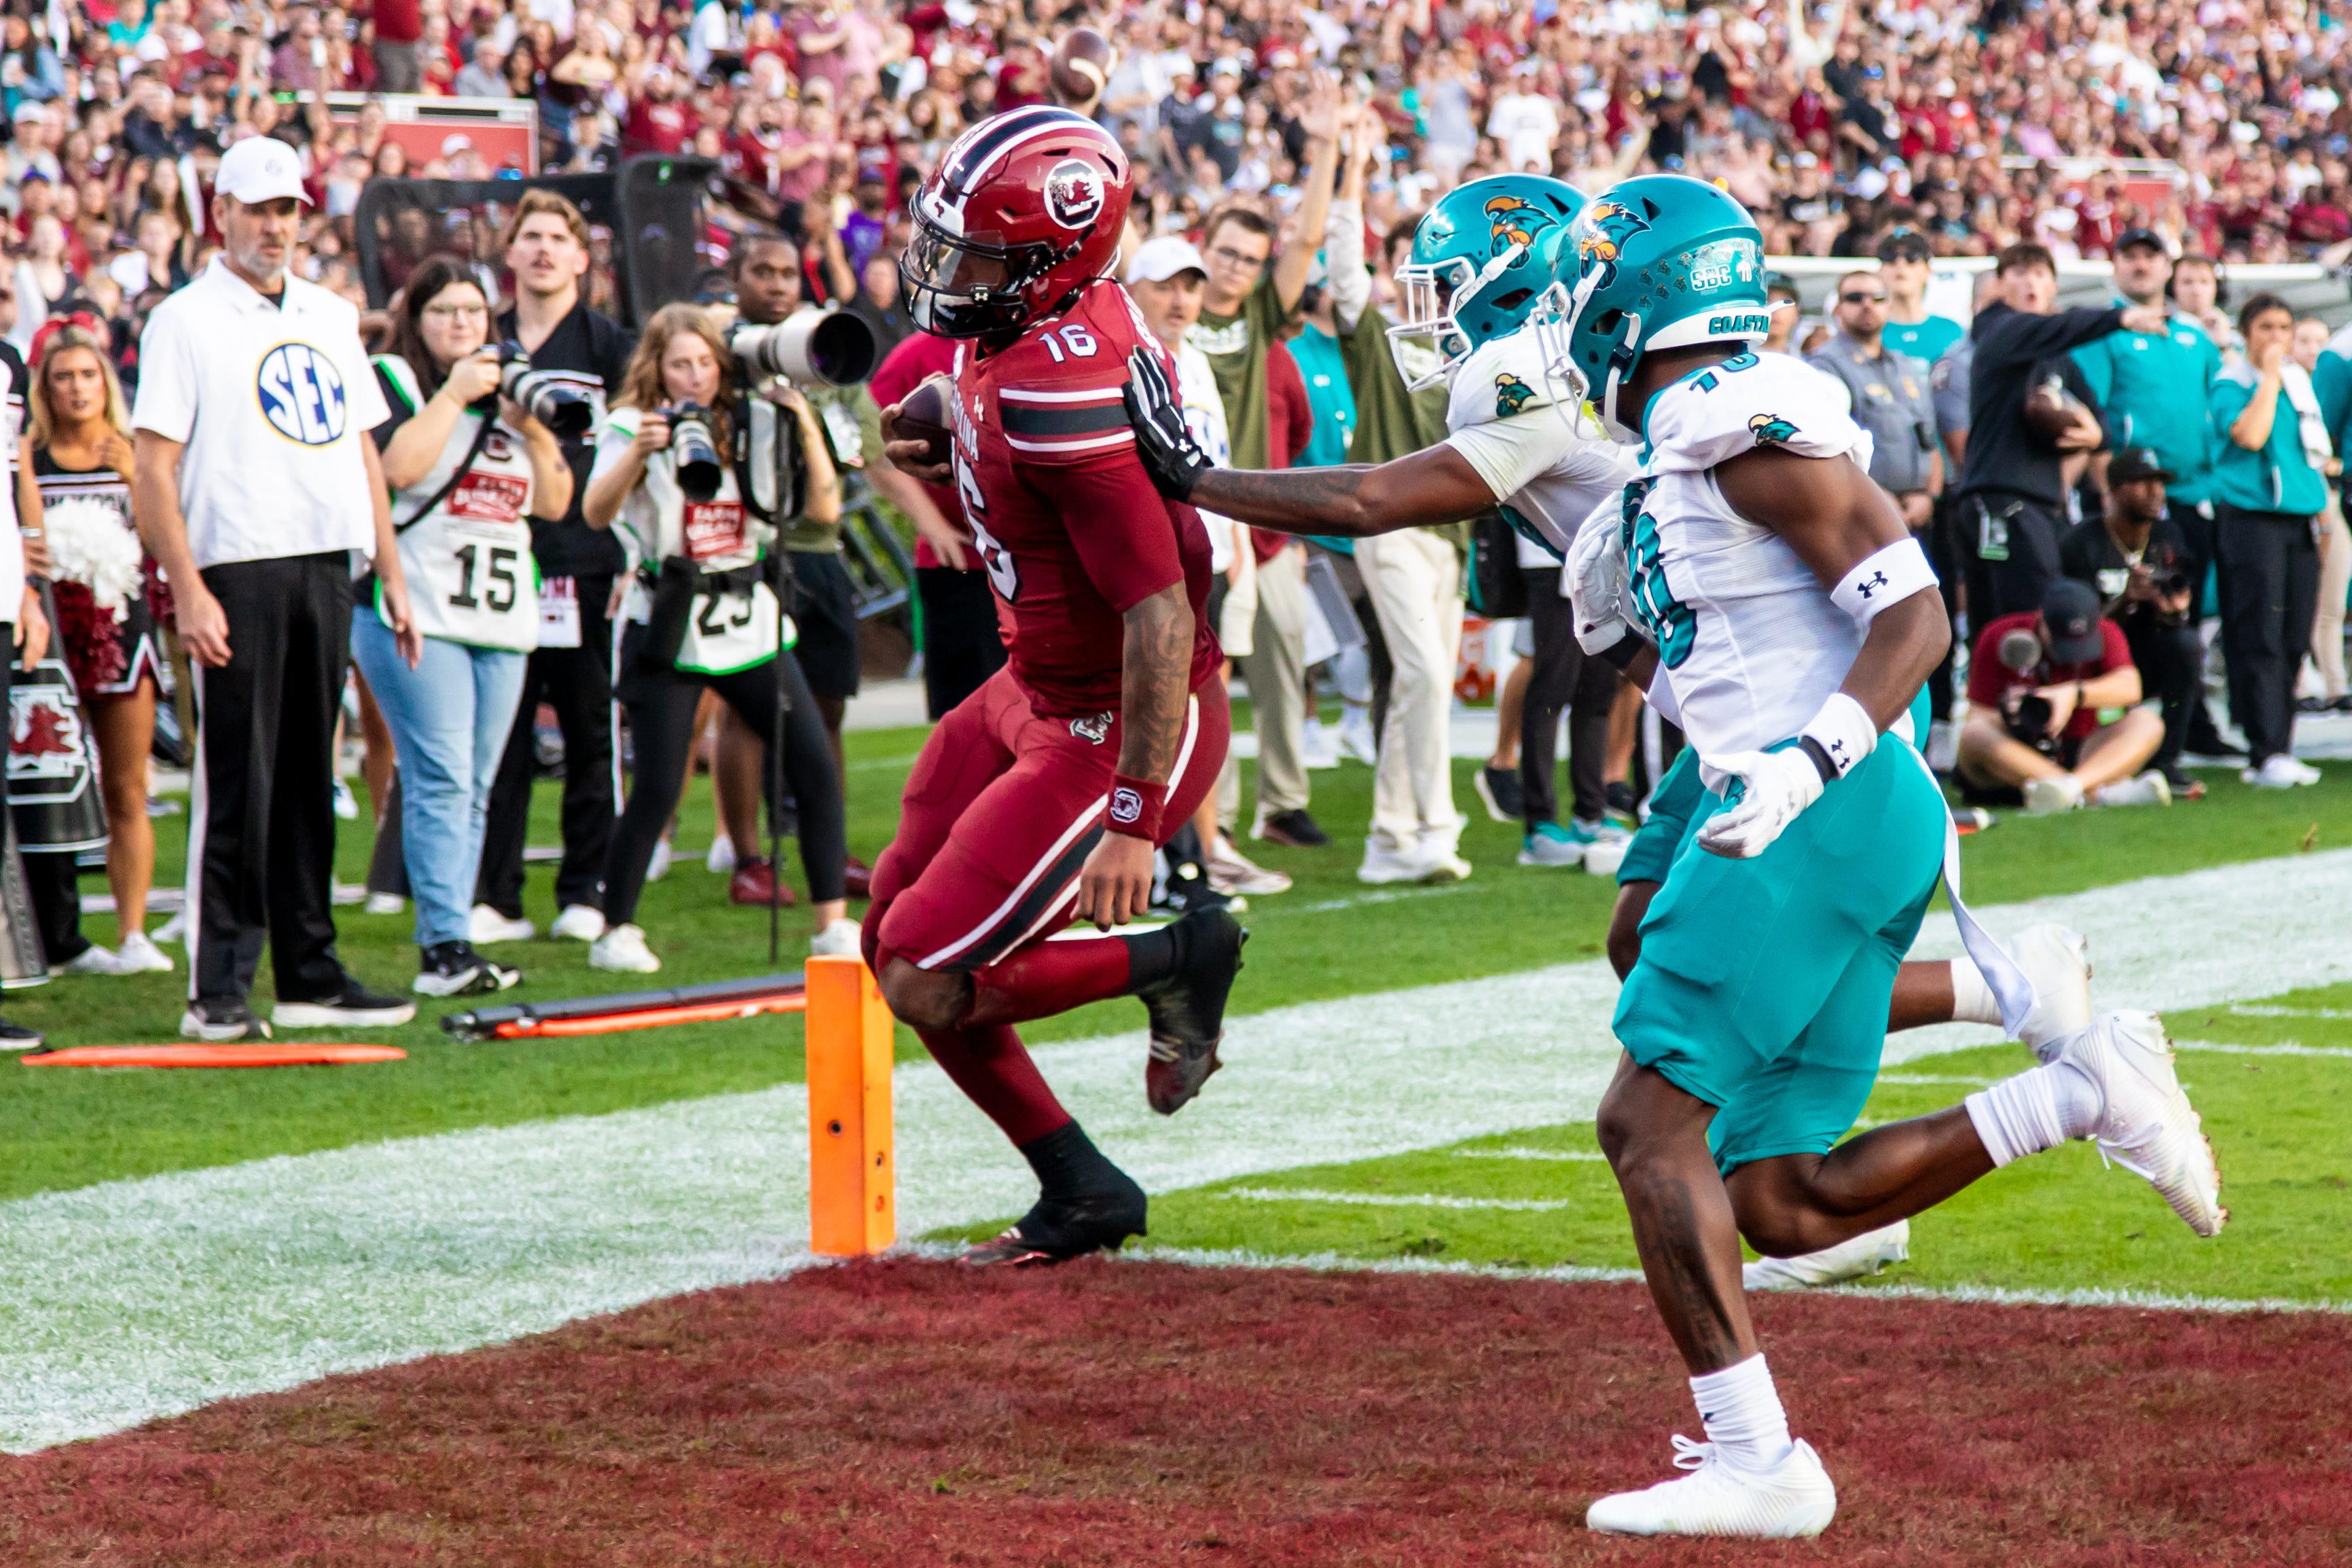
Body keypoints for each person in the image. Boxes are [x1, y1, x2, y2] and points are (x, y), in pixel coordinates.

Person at [1540, 177, 2219, 1539]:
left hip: (1814, 802)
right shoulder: (1677, 446)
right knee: (1778, 1200)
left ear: (1646, 292)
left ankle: (1762, 1461)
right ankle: (2074, 1087)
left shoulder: (1734, 422)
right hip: (1784, 796)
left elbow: (1909, 615)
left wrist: (1803, 767)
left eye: (1588, 285)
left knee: (1645, 1123)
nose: (1572, 314)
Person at [873, 106, 1243, 1267]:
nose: (949, 271)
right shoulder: (1041, 318)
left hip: (1114, 720)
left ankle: (1183, 951)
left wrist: (1135, 815)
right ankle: (1082, 1185)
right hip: (1031, 685)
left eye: (979, 253)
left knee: (926, 974)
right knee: (890, 918)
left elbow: (1159, 610)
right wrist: (950, 424)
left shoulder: (1055, 389)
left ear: (1052, 261)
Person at [1124, 172, 1636, 875]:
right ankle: (1412, 830)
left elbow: (1370, 499)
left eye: (1451, 286)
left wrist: (1195, 478)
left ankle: (1414, 832)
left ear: (1517, 277)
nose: (1437, 308)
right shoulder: (1573, 368)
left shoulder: (1525, 378)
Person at [130, 136, 422, 1042]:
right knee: (238, 783)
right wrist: (187, 587)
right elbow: (151, 463)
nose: (276, 225)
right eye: (258, 208)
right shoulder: (183, 320)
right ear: (221, 212)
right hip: (238, 565)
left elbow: (362, 450)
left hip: (325, 561)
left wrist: (394, 571)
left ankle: (308, 969)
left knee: (307, 774)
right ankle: (217, 984)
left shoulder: (333, 316)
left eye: (288, 208)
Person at [581, 304, 854, 968]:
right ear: (656, 366)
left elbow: (823, 510)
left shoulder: (752, 418)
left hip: (749, 615)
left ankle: (831, 925)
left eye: (705, 362)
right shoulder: (629, 424)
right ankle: (614, 930)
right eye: (680, 363)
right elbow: (594, 512)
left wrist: (804, 426)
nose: (695, 376)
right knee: (657, 783)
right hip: (670, 618)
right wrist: (642, 454)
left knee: (814, 765)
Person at [361, 257, 575, 996]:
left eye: (475, 312)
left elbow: (552, 503)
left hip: (502, 616)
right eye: (445, 311)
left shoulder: (508, 393)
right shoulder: (396, 378)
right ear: (416, 319)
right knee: (442, 777)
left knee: (475, 783)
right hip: (416, 607)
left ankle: (453, 932)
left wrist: (535, 431)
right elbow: (395, 467)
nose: (463, 324)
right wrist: (454, 394)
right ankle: (444, 944)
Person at [473, 189, 635, 949]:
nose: (541, 249)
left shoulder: (609, 345)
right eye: (528, 236)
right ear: (509, 254)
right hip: (493, 559)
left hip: (584, 563)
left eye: (556, 237)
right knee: (498, 736)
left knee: (588, 732)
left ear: (580, 257)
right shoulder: (482, 338)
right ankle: (495, 895)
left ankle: (585, 888)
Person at [1186, 88, 1343, 852]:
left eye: (1251, 261)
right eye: (1227, 253)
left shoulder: (1254, 316)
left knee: (1283, 657)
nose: (1238, 269)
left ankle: (1279, 805)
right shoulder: (1167, 311)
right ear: (1201, 247)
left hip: (1262, 516)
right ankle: (1206, 826)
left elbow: (1308, 240)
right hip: (1195, 519)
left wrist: (1324, 149)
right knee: (1202, 678)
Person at [1124, 234, 1288, 901]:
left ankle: (1192, 855)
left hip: (1210, 559)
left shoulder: (1193, 362)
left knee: (1197, 718)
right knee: (1159, 716)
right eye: (1164, 284)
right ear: (1132, 289)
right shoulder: (1128, 360)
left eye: (1189, 285)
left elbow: (1212, 463)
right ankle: (1166, 863)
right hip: (1160, 567)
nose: (1181, 298)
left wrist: (1236, 542)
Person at [24, 317, 171, 974]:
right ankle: (56, 934)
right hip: (50, 640)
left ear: (105, 382)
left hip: (122, 636)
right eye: (63, 378)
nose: (77, 389)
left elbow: (164, 539)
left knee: (126, 787)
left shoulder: (131, 451)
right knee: (50, 784)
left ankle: (134, 931)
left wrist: (138, 475)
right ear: (45, 389)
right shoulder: (29, 456)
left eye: (88, 375)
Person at [719, 230, 861, 905]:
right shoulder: (719, 349)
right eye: (762, 271)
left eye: (787, 273)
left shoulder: (824, 340)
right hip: (751, 550)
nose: (777, 284)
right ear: (736, 277)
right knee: (750, 710)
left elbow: (858, 443)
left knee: (827, 706)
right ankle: (749, 857)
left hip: (820, 550)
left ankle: (825, 843)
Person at [2068, 230, 2232, 765]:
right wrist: (2104, 495)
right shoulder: (2105, 331)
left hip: (2192, 492)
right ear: (2115, 267)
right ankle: (2103, 730)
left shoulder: (2193, 336)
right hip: (2128, 498)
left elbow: (2217, 404)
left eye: (2149, 257)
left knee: (2179, 610)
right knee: (2116, 608)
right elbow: (2091, 412)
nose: (2140, 266)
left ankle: (2191, 725)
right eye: (2129, 257)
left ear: (2167, 267)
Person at [1953, 243, 2170, 620]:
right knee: (2020, 621)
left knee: (2029, 616)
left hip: (2038, 503)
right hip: (2001, 499)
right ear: (2000, 285)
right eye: (2018, 273)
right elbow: (2060, 325)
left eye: (2039, 274)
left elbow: (2101, 428)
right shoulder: (2002, 328)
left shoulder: (2056, 357)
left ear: (2054, 286)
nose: (2030, 283)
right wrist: (2118, 318)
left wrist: (2088, 431)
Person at [2210, 292, 2328, 788]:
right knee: (2258, 631)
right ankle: (2264, 750)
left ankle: (2280, 744)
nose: (2276, 338)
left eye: (2283, 327)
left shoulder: (2300, 386)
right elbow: (2250, 436)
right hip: (2251, 519)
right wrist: (2269, 378)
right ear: (2245, 334)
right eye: (2265, 328)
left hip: (2297, 519)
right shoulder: (2231, 382)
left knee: (2293, 635)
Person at [865, 327, 1003, 721]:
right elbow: (874, 447)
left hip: (1029, 559)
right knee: (963, 720)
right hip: (959, 564)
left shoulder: (1028, 342)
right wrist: (933, 524)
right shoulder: (916, 354)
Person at [2059, 448, 2207, 795]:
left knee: (2187, 645)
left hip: (2146, 648)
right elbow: (2074, 625)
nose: (2156, 492)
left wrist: (2175, 609)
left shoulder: (2169, 534)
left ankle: (2165, 761)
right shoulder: (2081, 542)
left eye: (2160, 483)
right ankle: (2082, 752)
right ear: (2114, 490)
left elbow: (2179, 590)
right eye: (2143, 483)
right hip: (2096, 658)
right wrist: (2126, 598)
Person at [1956, 577, 2169, 812]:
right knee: (1975, 734)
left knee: (2147, 722)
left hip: (2079, 750)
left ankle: (2070, 789)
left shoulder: (2107, 632)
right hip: (2015, 755)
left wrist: (2072, 694)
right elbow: (1977, 718)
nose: (2072, 655)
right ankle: (2096, 795)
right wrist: (2011, 713)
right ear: (2041, 620)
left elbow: (2130, 688)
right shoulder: (2000, 635)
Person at [1806, 270, 1942, 534]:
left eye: (1877, 298)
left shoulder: (1905, 365)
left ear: (1889, 306)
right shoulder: (1823, 366)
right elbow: (1830, 450)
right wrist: (1879, 498)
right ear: (1838, 309)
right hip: (1861, 515)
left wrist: (1929, 495)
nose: (1867, 305)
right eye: (1855, 298)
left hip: (1920, 512)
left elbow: (1930, 439)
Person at [1872, 229, 1962, 365]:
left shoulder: (1952, 332)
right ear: (1880, 272)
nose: (1900, 264)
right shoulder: (1867, 333)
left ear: (1928, 271)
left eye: (1911, 257)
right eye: (1890, 258)